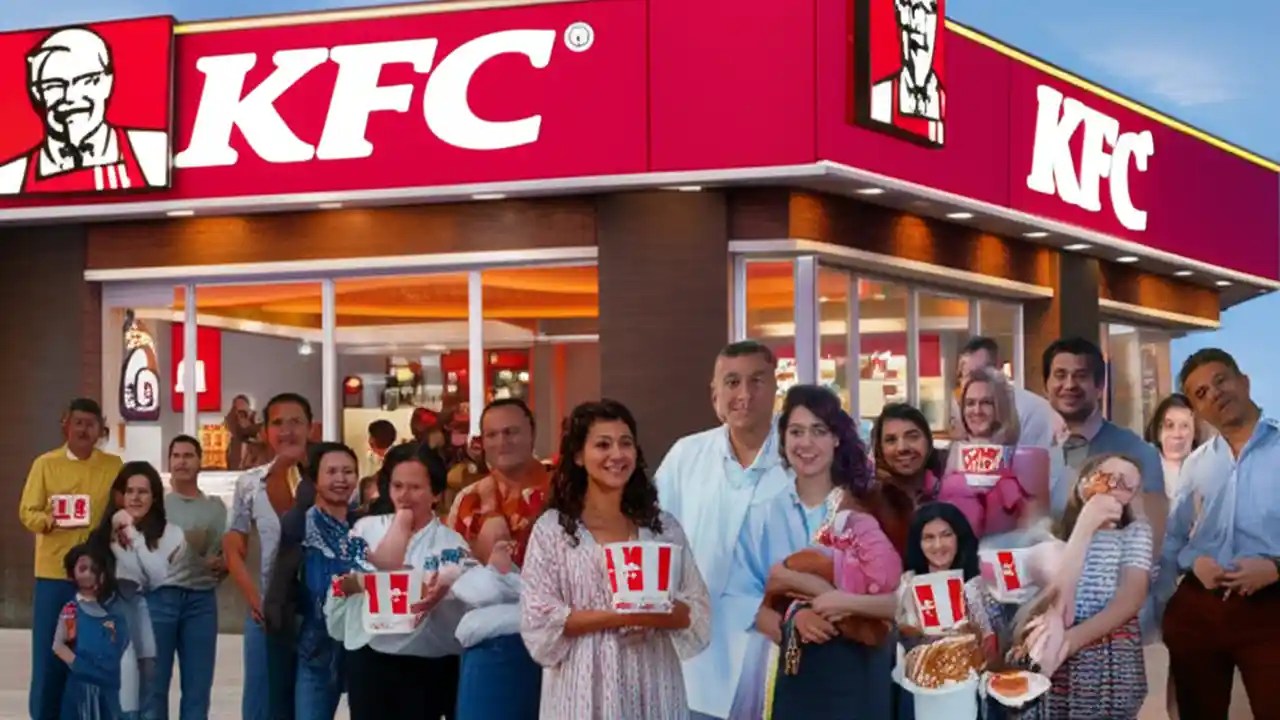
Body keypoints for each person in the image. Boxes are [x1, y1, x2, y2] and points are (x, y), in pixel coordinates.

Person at [520, 399, 711, 719]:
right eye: (602, 445)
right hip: (581, 686)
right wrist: (622, 615)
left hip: (654, 679)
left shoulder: (662, 528)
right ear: (579, 456)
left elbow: (696, 610)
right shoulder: (554, 530)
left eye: (626, 443)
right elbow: (539, 619)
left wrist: (650, 617)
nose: (617, 455)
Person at [738, 386, 902, 719]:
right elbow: (739, 596)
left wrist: (830, 596)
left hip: (862, 665)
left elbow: (903, 599)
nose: (806, 443)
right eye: (796, 432)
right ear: (782, 440)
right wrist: (792, 620)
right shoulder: (761, 515)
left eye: (819, 431)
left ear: (837, 438)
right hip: (793, 673)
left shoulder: (872, 505)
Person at [655, 340, 792, 720]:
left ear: (776, 387)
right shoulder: (686, 456)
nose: (744, 394)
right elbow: (653, 537)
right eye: (732, 383)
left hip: (784, 648)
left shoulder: (803, 451)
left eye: (757, 381)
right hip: (702, 663)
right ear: (715, 394)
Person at [1159, 348, 1280, 719]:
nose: (1214, 393)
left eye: (1220, 380)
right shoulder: (1196, 464)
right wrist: (1194, 564)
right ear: (1198, 411)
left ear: (1243, 381)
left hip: (1271, 607)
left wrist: (1276, 567)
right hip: (1201, 606)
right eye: (1201, 393)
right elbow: (1176, 540)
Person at [324, 442, 472, 720]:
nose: (405, 496)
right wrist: (356, 583)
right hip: (370, 660)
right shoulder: (365, 529)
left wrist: (443, 589)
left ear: (436, 493)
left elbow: (465, 595)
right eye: (397, 486)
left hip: (428, 664)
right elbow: (338, 583)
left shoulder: (450, 543)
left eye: (415, 488)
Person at [1015, 454, 1152, 719]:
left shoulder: (1135, 532)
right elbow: (1054, 598)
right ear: (1083, 482)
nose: (1113, 487)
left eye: (1126, 485)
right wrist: (1085, 526)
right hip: (1056, 650)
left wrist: (1071, 641)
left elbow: (1131, 598)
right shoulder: (1051, 534)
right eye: (1105, 477)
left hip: (1107, 652)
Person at [21, 398, 123, 720]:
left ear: (100, 430)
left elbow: (123, 508)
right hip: (55, 574)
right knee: (51, 656)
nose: (83, 429)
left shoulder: (113, 466)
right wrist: (49, 520)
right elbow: (27, 511)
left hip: (98, 578)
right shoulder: (45, 464)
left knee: (94, 656)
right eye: (77, 422)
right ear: (66, 425)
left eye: (90, 424)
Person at [447, 400, 548, 720]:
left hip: (561, 635)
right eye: (492, 435)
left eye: (511, 432)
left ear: (532, 433)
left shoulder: (566, 491)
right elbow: (455, 569)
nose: (501, 442)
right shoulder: (468, 499)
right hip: (492, 644)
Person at [223, 393, 313, 720]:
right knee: (262, 702)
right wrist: (254, 598)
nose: (287, 430)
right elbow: (233, 543)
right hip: (266, 608)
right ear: (265, 432)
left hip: (315, 611)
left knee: (308, 703)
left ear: (310, 428)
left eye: (295, 422)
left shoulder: (327, 480)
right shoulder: (250, 483)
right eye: (278, 422)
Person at [0, 26, 168, 196]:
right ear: (37, 93)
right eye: (54, 85)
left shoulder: (155, 151)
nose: (70, 96)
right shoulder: (9, 179)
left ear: (107, 83)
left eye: (87, 81)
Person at [1041, 337, 1166, 547]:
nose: (1069, 385)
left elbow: (1152, 543)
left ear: (1099, 386)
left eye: (1081, 376)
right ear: (1046, 385)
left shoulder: (1138, 454)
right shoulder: (1033, 452)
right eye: (1060, 375)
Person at [88, 461, 187, 719]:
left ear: (154, 497)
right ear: (119, 496)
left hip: (151, 623)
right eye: (129, 491)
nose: (135, 497)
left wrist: (132, 535)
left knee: (148, 696)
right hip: (111, 626)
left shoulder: (171, 534)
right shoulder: (101, 537)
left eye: (142, 492)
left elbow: (156, 576)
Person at [147, 436, 226, 720]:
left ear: (200, 461)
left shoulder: (215, 509)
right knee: (154, 686)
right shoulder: (154, 508)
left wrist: (220, 564)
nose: (182, 461)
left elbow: (222, 555)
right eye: (176, 455)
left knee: (198, 687)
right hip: (160, 599)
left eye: (189, 455)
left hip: (201, 602)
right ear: (168, 463)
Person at [285, 443, 362, 720]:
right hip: (316, 643)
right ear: (315, 480)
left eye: (348, 471)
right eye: (331, 472)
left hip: (361, 642)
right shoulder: (302, 525)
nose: (341, 479)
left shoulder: (364, 525)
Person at [939, 367, 1050, 539]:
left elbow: (1035, 533)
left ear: (1001, 407)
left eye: (986, 403)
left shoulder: (1026, 458)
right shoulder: (952, 453)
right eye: (970, 403)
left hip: (1005, 557)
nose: (977, 411)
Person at [52, 543, 130, 720]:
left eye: (94, 569)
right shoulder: (71, 611)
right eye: (82, 568)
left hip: (110, 686)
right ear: (72, 574)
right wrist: (78, 665)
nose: (88, 574)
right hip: (81, 686)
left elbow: (123, 642)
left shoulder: (115, 612)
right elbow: (58, 645)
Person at [955, 337, 1058, 448]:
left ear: (998, 369)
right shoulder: (961, 414)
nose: (977, 410)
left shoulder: (1033, 409)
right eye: (968, 375)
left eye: (986, 402)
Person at [1142, 393, 1202, 502]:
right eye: (1170, 426)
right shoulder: (1141, 470)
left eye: (1185, 426)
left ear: (1195, 433)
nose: (1177, 434)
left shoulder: (1208, 470)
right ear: (1159, 432)